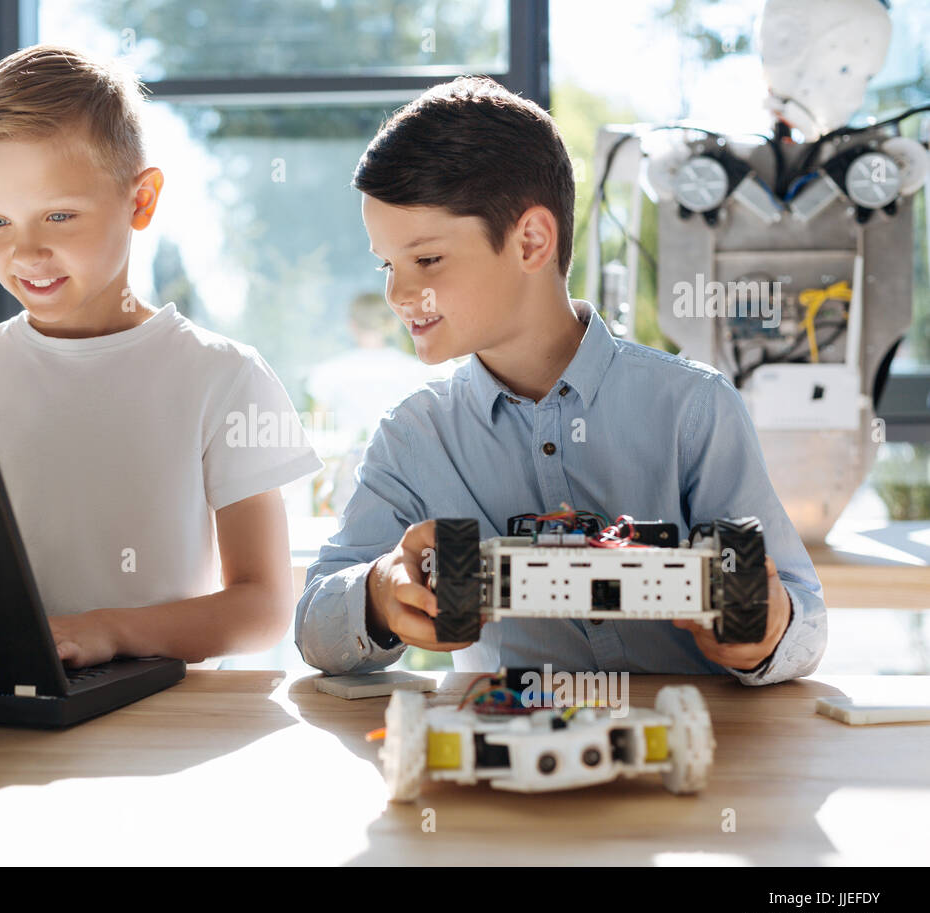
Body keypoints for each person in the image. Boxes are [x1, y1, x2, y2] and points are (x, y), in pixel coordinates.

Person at [294, 76, 825, 684]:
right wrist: (378, 594)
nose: (397, 293)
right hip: (507, 735)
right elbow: (313, 624)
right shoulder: (414, 434)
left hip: (689, 735)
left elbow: (805, 619)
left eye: (427, 259)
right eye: (387, 265)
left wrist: (766, 630)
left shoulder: (693, 410)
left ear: (531, 241)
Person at [0, 45, 321, 667]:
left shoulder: (223, 377)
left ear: (141, 201)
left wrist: (107, 632)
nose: (26, 252)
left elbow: (263, 606)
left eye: (59, 215)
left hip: (164, 713)